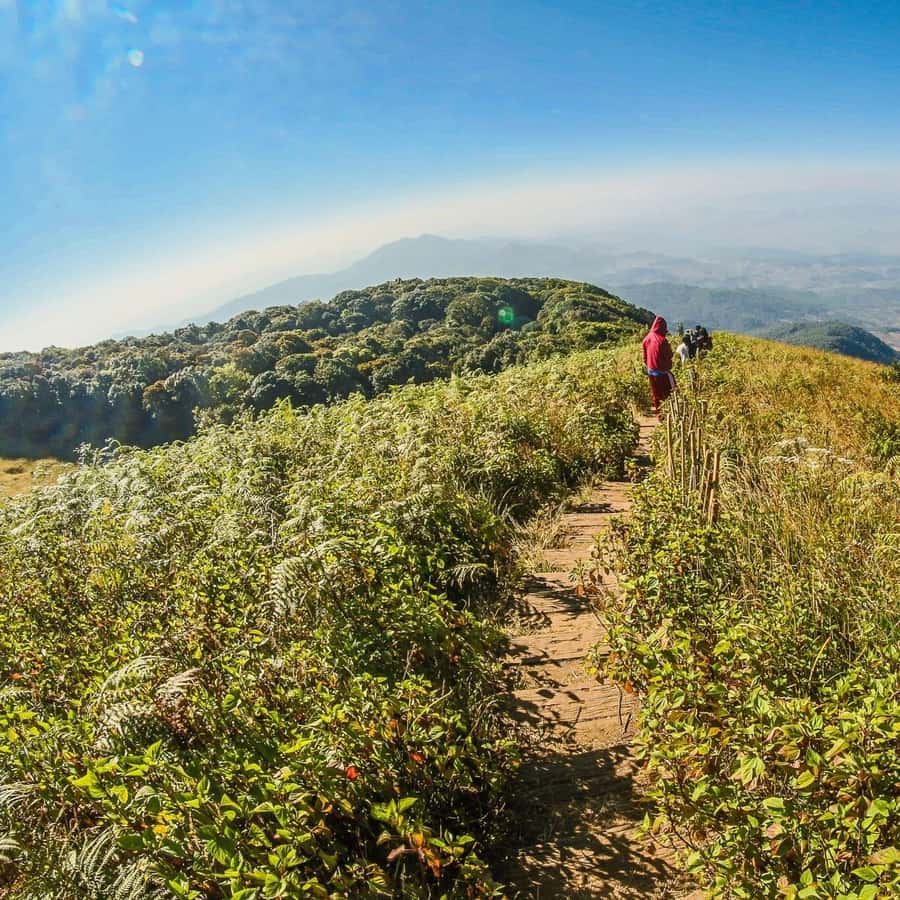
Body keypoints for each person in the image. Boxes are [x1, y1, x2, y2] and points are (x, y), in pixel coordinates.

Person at [642, 316, 676, 414]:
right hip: (662, 373)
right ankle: (668, 414)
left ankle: (660, 414)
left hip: (651, 372)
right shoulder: (662, 340)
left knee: (656, 394)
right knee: (669, 394)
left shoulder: (646, 339)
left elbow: (645, 358)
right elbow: (669, 355)